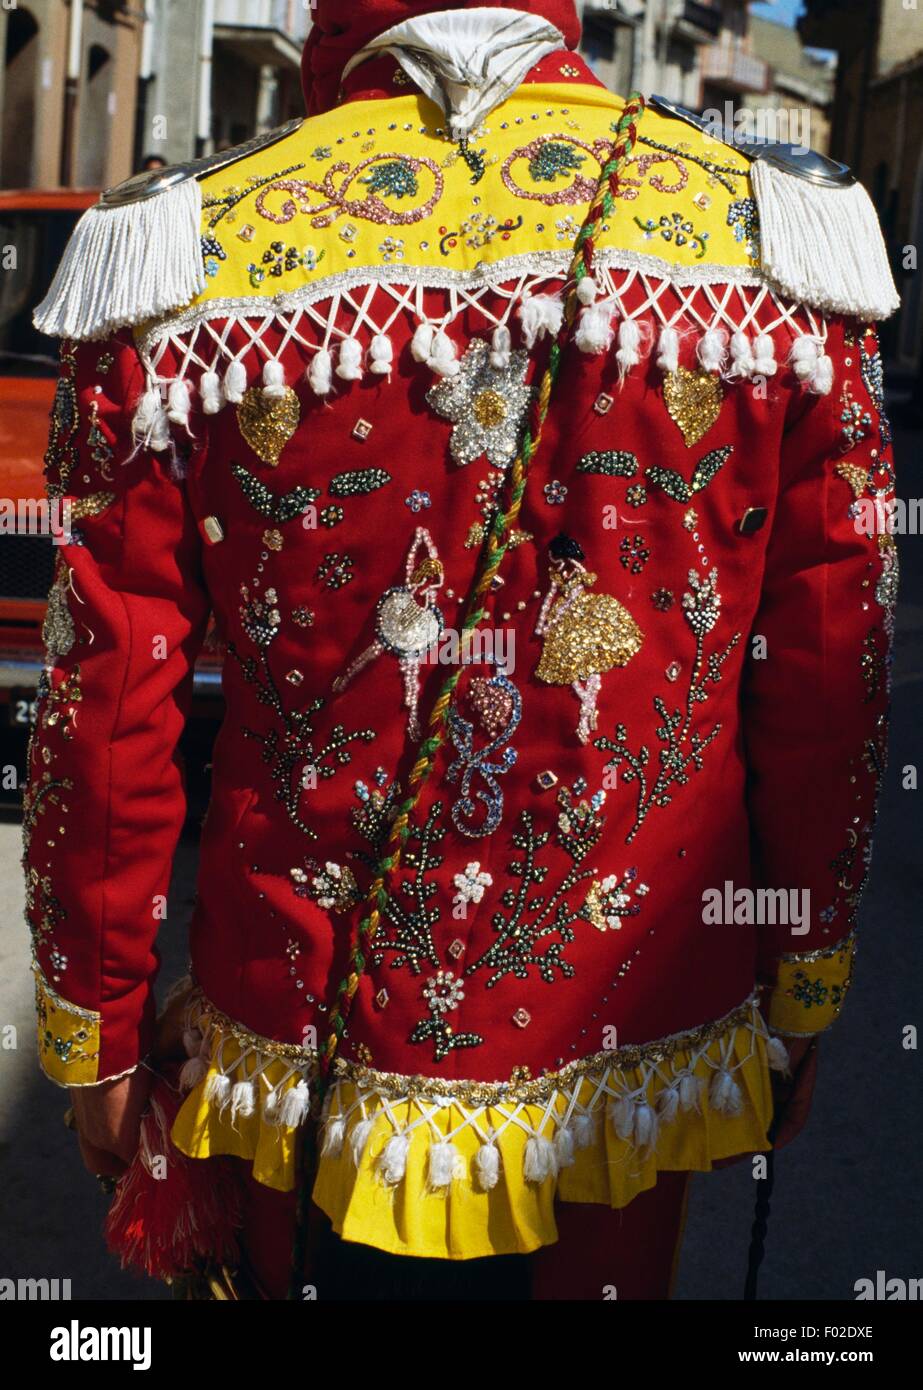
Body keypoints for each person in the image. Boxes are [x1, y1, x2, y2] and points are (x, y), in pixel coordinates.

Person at [26, 0, 899, 1301]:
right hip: (624, 1050)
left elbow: (105, 699)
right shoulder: (764, 232)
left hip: (294, 1052)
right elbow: (831, 675)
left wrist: (93, 1034)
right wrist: (800, 983)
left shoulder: (193, 244)